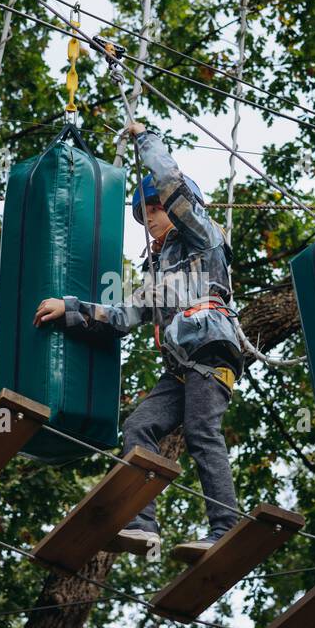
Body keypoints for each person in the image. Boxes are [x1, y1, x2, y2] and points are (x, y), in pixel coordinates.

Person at [34, 120, 243, 562]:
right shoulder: (159, 277)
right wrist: (68, 309)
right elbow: (121, 317)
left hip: (211, 348)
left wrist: (145, 138)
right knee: (137, 427)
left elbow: (169, 182)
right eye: (143, 212)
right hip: (182, 368)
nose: (149, 216)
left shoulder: (203, 239)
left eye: (155, 208)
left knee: (203, 432)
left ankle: (226, 526)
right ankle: (143, 525)